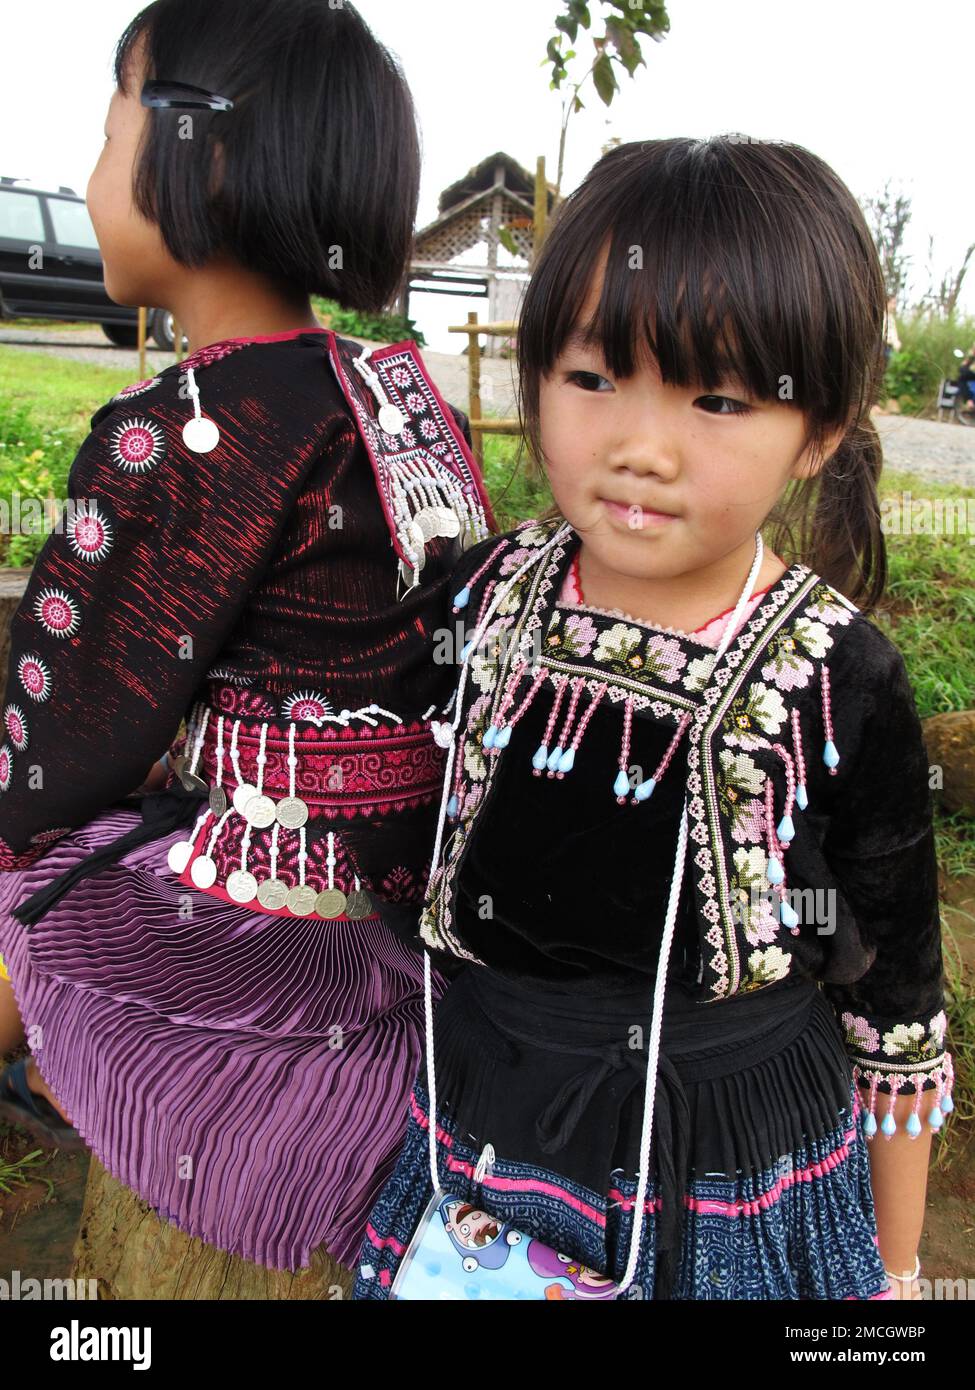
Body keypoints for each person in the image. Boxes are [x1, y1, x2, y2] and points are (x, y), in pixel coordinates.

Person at [352, 136, 953, 1302]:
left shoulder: (842, 683)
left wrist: (895, 1272)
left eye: (719, 398)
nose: (639, 446)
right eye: (591, 378)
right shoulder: (478, 600)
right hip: (477, 1136)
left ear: (819, 430)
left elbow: (895, 1006)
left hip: (726, 1170)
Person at [0, 0, 495, 1276]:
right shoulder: (399, 388)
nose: (86, 174)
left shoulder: (183, 429)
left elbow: (68, 739)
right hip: (418, 880)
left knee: (17, 897)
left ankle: (107, 1062)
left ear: (197, 152)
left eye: (104, 128)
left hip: (278, 920)